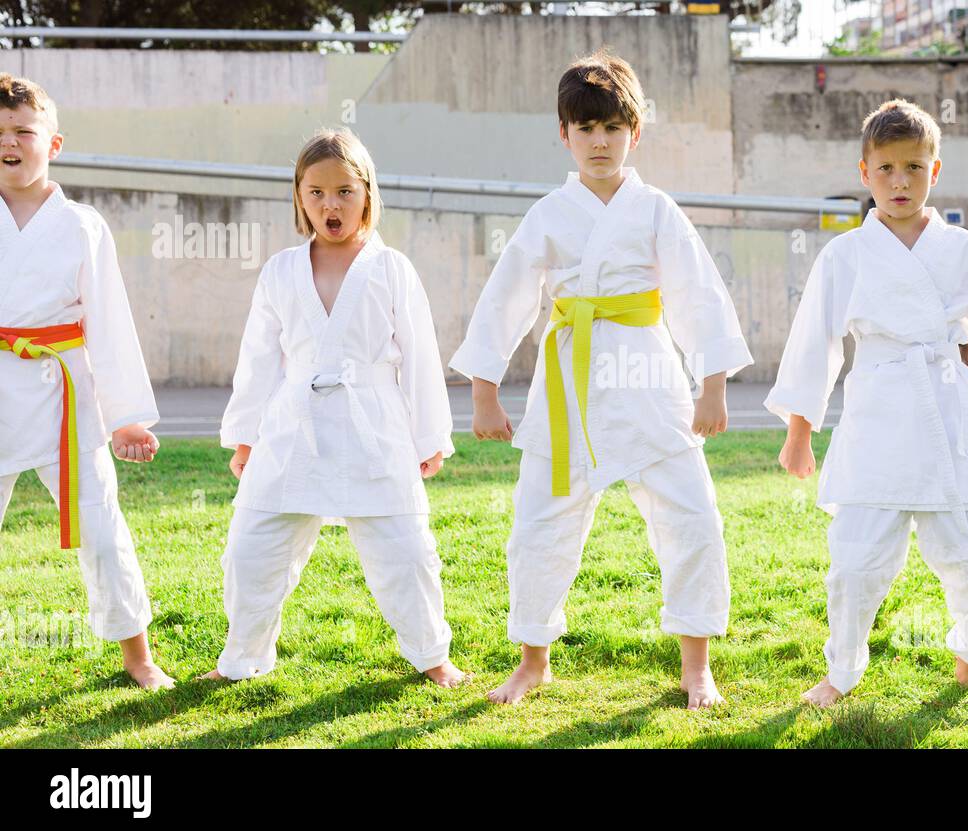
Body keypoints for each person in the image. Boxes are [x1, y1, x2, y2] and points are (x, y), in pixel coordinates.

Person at [450, 49, 752, 709]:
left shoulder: (656, 210)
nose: (599, 141)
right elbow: (507, 297)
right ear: (564, 134)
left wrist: (712, 383)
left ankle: (696, 663)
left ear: (634, 132)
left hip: (648, 372)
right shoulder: (548, 215)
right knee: (539, 521)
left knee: (692, 514)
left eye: (613, 128)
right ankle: (534, 657)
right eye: (585, 129)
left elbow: (697, 293)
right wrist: (484, 390)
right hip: (568, 382)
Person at [767, 99, 968, 707]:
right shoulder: (845, 254)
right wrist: (799, 428)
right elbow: (815, 342)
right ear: (864, 174)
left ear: (934, 172)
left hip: (954, 413)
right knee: (857, 561)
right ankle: (841, 671)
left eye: (914, 168)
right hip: (880, 413)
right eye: (886, 168)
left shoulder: (965, 249)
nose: (900, 182)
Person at [202, 128, 465, 686]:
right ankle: (241, 659)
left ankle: (432, 656)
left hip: (374, 425)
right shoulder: (280, 271)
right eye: (316, 192)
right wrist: (246, 435)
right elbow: (258, 360)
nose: (331, 204)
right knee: (251, 550)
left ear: (367, 193)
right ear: (299, 196)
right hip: (291, 429)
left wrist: (429, 437)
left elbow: (420, 355)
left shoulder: (391, 268)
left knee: (405, 553)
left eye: (344, 191)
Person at [0, 73, 173, 689]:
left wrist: (126, 414)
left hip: (64, 392)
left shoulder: (82, 225)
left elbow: (109, 321)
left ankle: (138, 655)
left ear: (54, 142)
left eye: (23, 130)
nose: (9, 142)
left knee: (102, 528)